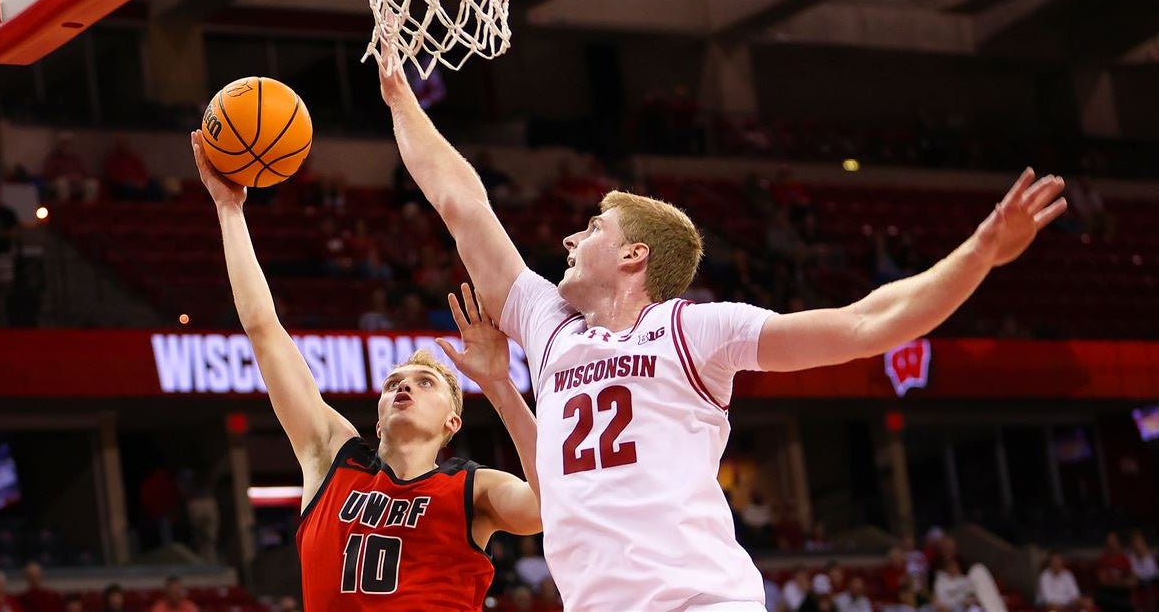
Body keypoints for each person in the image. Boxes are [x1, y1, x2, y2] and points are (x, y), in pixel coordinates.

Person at [378, 54, 1067, 610]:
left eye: (590, 229)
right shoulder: (549, 328)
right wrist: (400, 101)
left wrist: (978, 252)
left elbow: (865, 323)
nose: (567, 235)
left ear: (632, 255)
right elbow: (462, 204)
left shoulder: (698, 332)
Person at [190, 131, 542, 610]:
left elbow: (551, 504)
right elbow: (264, 330)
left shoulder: (472, 488)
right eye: (394, 383)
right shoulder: (333, 459)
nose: (404, 388)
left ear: (451, 423)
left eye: (425, 383)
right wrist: (229, 210)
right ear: (376, 420)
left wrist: (499, 387)